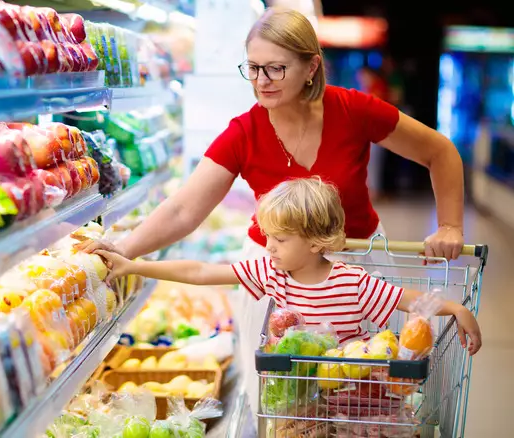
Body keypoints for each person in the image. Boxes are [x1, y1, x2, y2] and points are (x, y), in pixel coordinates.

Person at [76, 6, 467, 425]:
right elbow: (183, 209)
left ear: (311, 66)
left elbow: (438, 151)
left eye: (276, 69)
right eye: (254, 68)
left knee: (365, 394)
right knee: (286, 406)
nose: (261, 81)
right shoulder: (244, 131)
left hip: (358, 269)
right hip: (277, 277)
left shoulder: (354, 110)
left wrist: (449, 224)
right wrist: (120, 249)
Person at [94, 178, 482, 354]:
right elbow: (200, 272)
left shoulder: (353, 282)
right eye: (268, 237)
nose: (269, 246)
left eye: (280, 240)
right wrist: (133, 266)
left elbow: (407, 299)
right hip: (291, 403)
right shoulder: (270, 272)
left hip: (346, 398)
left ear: (316, 243)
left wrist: (456, 308)